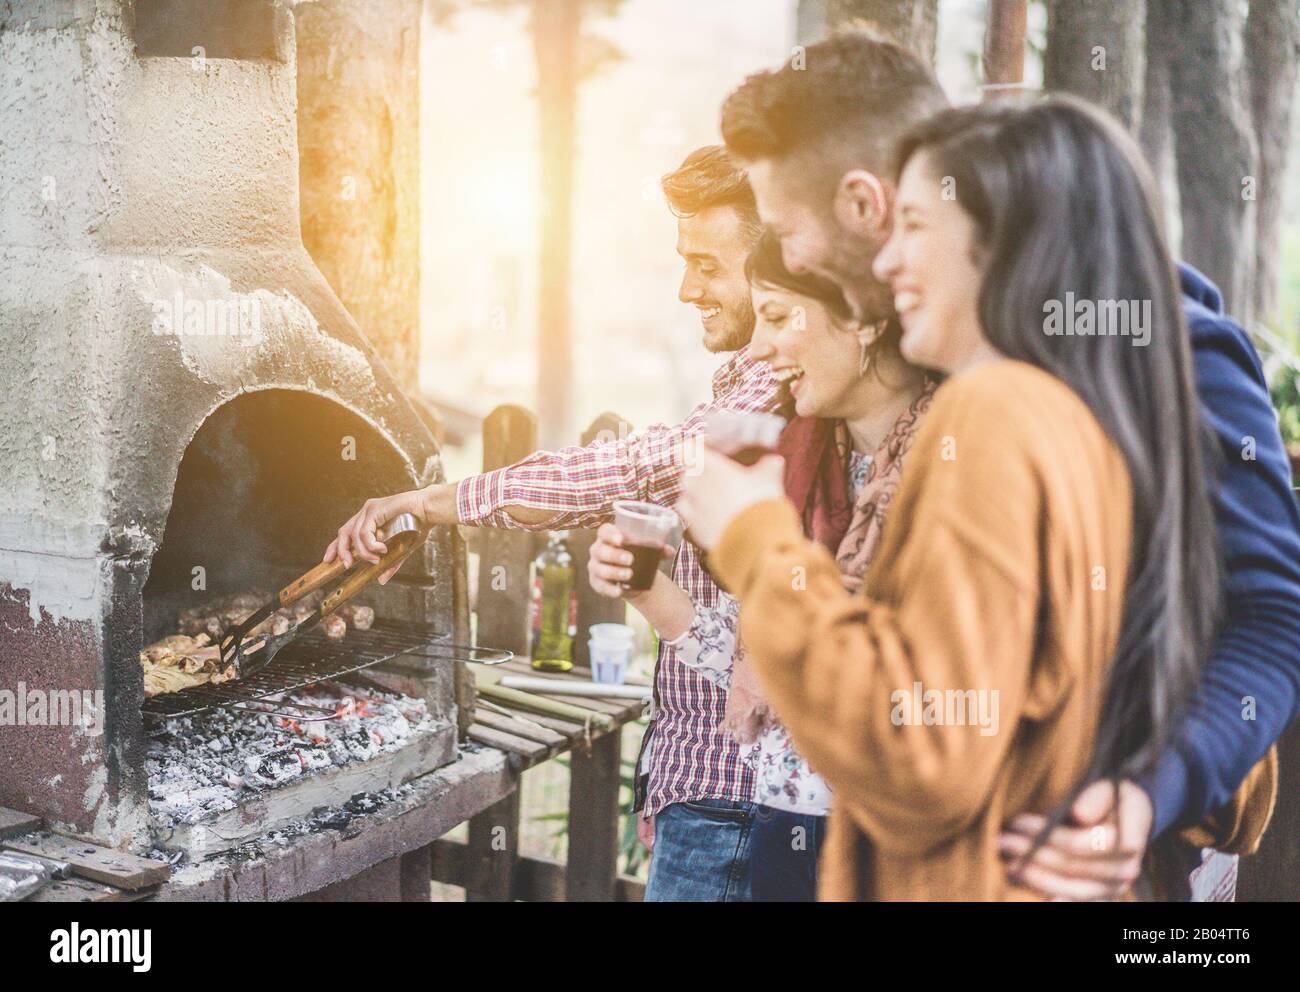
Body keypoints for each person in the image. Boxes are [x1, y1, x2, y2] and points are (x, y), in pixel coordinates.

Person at [718, 32, 1298, 899]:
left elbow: (1267, 619)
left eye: (787, 231)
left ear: (868, 205)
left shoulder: (1159, 344)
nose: (789, 261)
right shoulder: (928, 345)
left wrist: (1145, 795)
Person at [324, 146, 778, 901]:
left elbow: (609, 472)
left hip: (733, 805)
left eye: (708, 266)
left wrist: (425, 503)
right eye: (683, 260)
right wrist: (666, 785)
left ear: (774, 269)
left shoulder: (770, 404)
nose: (686, 287)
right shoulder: (747, 383)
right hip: (712, 794)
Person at [587, 230, 932, 899]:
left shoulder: (945, 470)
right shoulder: (814, 463)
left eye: (777, 317)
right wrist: (647, 588)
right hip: (789, 832)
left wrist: (756, 544)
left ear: (863, 320)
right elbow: (770, 665)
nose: (760, 348)